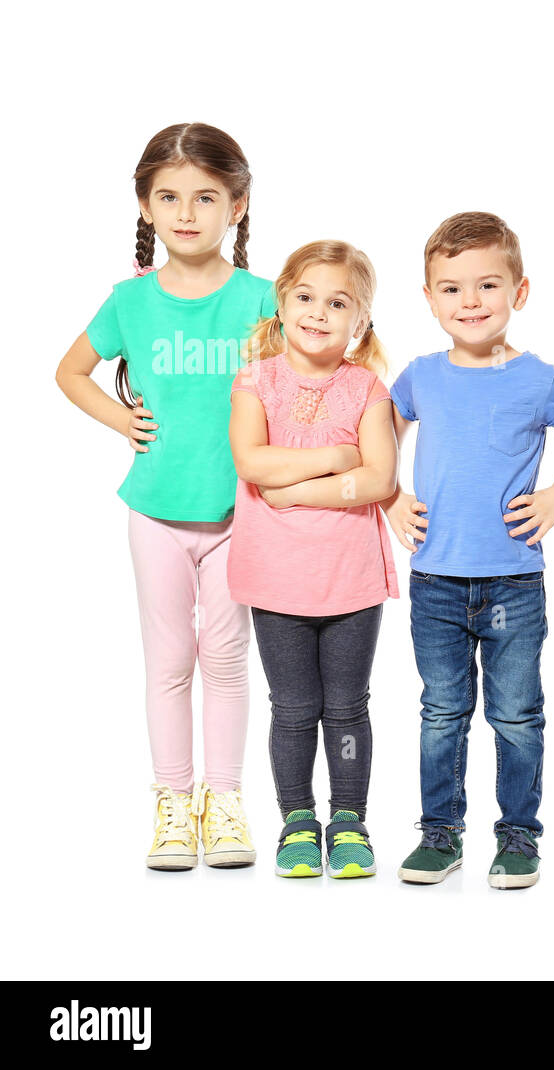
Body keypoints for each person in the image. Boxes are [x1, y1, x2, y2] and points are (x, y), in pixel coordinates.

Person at [55, 123, 273, 870]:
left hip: (243, 511)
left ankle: (227, 802)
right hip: (154, 510)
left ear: (236, 205)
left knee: (226, 655)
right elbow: (70, 371)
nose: (187, 212)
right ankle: (174, 806)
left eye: (206, 197)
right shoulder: (130, 301)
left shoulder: (266, 299)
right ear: (146, 207)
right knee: (169, 659)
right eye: (170, 197)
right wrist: (123, 419)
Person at [385, 212, 554, 889]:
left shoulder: (538, 378)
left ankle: (518, 837)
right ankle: (441, 834)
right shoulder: (418, 376)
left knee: (515, 714)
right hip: (435, 580)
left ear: (519, 291)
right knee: (442, 711)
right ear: (428, 298)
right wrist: (389, 498)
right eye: (450, 289)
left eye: (486, 286)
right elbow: (375, 439)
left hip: (512, 581)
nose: (469, 302)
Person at [229, 240, 398, 879]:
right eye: (305, 297)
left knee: (348, 705)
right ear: (281, 302)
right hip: (276, 579)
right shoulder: (257, 379)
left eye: (338, 303)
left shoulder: (367, 388)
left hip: (350, 579)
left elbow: (380, 479)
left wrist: (292, 486)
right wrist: (336, 457)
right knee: (294, 706)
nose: (318, 313)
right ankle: (297, 817)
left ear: (361, 322)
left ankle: (349, 818)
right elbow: (252, 462)